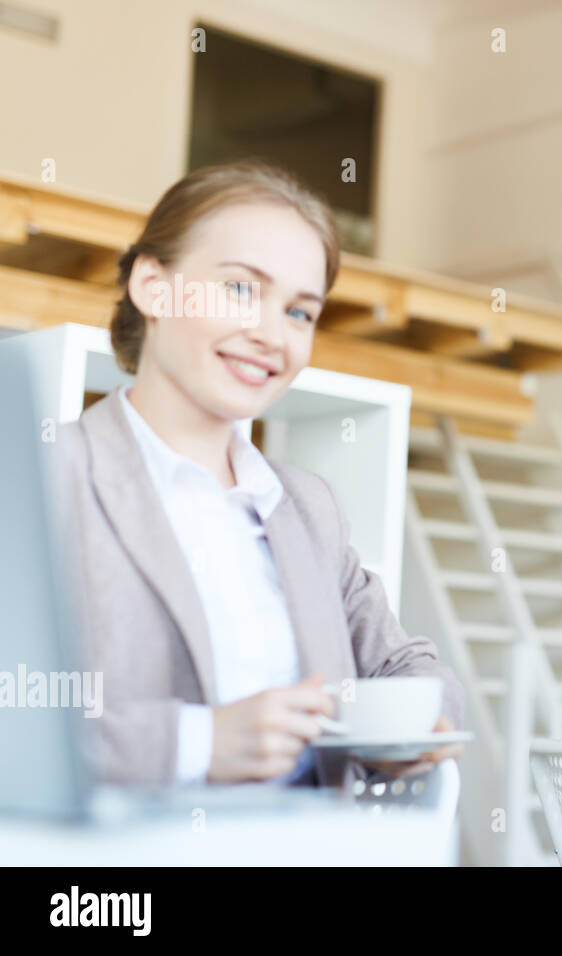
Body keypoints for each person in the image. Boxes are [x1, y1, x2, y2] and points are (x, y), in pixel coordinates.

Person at [53, 160, 465, 788]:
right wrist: (198, 743)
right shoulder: (46, 477)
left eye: (300, 313)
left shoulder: (305, 506)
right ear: (152, 287)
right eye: (240, 289)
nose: (271, 334)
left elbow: (411, 668)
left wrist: (409, 723)